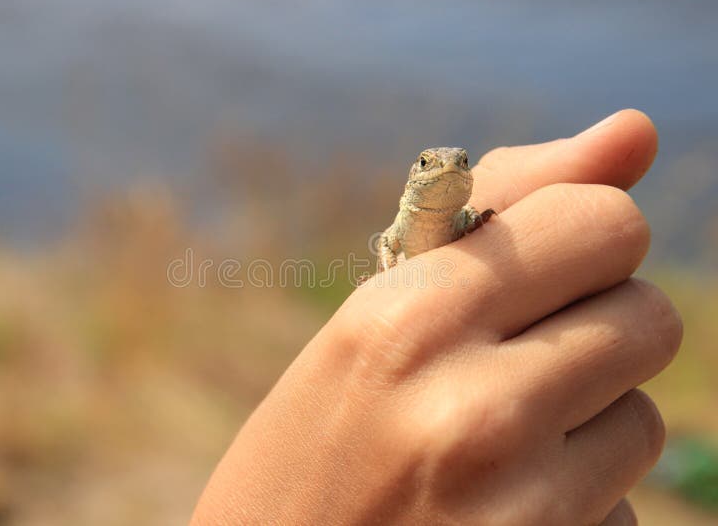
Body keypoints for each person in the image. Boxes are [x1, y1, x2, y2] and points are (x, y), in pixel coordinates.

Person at [191, 110, 682, 525]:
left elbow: (466, 221)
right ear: (414, 176)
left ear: (467, 178)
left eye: (459, 164)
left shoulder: (463, 215)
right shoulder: (407, 214)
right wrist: (385, 285)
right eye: (430, 163)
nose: (446, 169)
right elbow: (388, 243)